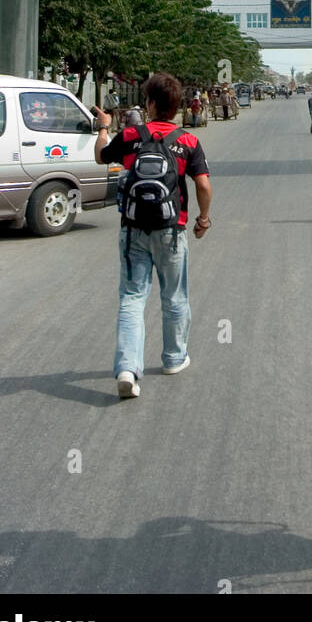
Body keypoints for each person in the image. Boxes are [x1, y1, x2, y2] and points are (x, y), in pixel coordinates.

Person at [95, 72, 212, 399]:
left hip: (133, 230)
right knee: (174, 296)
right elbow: (202, 184)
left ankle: (128, 370)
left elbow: (100, 156)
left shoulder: (131, 135)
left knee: (132, 297)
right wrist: (204, 218)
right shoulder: (188, 141)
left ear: (149, 104)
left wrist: (104, 126)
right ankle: (174, 358)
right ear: (177, 108)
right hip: (172, 231)